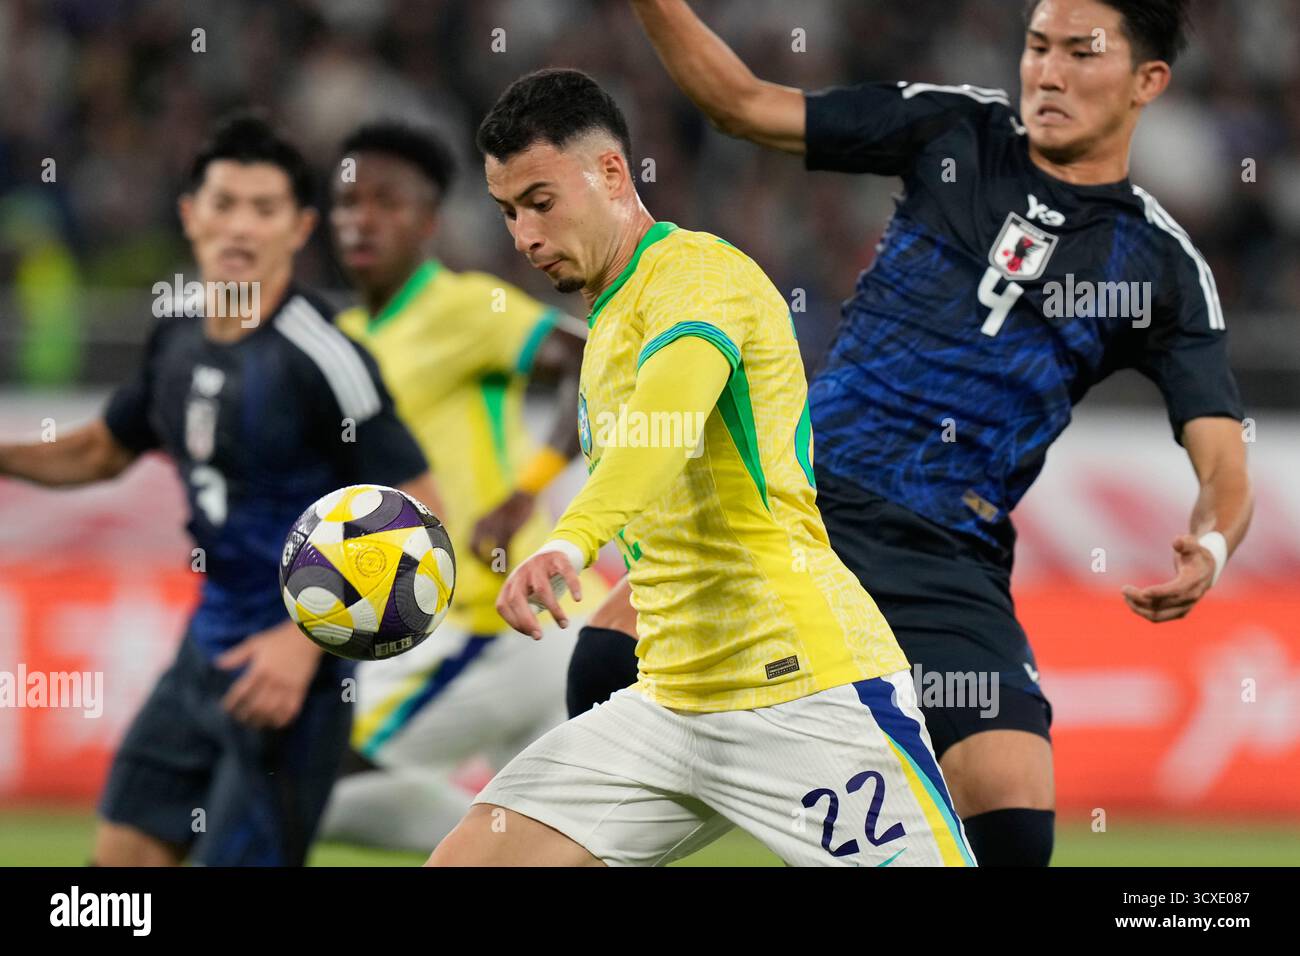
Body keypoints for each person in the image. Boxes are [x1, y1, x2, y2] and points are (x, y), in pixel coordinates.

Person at [597, 0, 1254, 865]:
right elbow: (744, 104)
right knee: (606, 658)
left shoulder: (1161, 266)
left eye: (1080, 53)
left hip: (947, 558)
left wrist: (1208, 546)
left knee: (1015, 833)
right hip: (802, 506)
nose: (1048, 72)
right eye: (1037, 47)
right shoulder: (956, 131)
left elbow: (1223, 462)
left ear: (1147, 81)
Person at [428, 68, 975, 867]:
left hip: (801, 687)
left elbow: (668, 424)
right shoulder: (609, 318)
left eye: (541, 203)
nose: (523, 237)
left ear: (612, 174)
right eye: (508, 212)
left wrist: (568, 540)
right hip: (670, 704)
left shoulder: (696, 275)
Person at [0, 114, 440, 866]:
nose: (240, 227)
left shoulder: (323, 354)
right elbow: (102, 452)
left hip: (289, 682)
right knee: (117, 871)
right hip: (202, 655)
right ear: (189, 215)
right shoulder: (175, 331)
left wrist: (303, 647)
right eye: (224, 203)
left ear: (299, 229)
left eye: (264, 209)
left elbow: (420, 511)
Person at [318, 120, 596, 851]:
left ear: (428, 220)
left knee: (316, 772)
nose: (362, 218)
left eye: (387, 201)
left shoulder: (462, 306)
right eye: (348, 201)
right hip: (439, 628)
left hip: (492, 618)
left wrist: (527, 489)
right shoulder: (342, 338)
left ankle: (503, 850)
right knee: (570, 838)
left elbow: (586, 359)